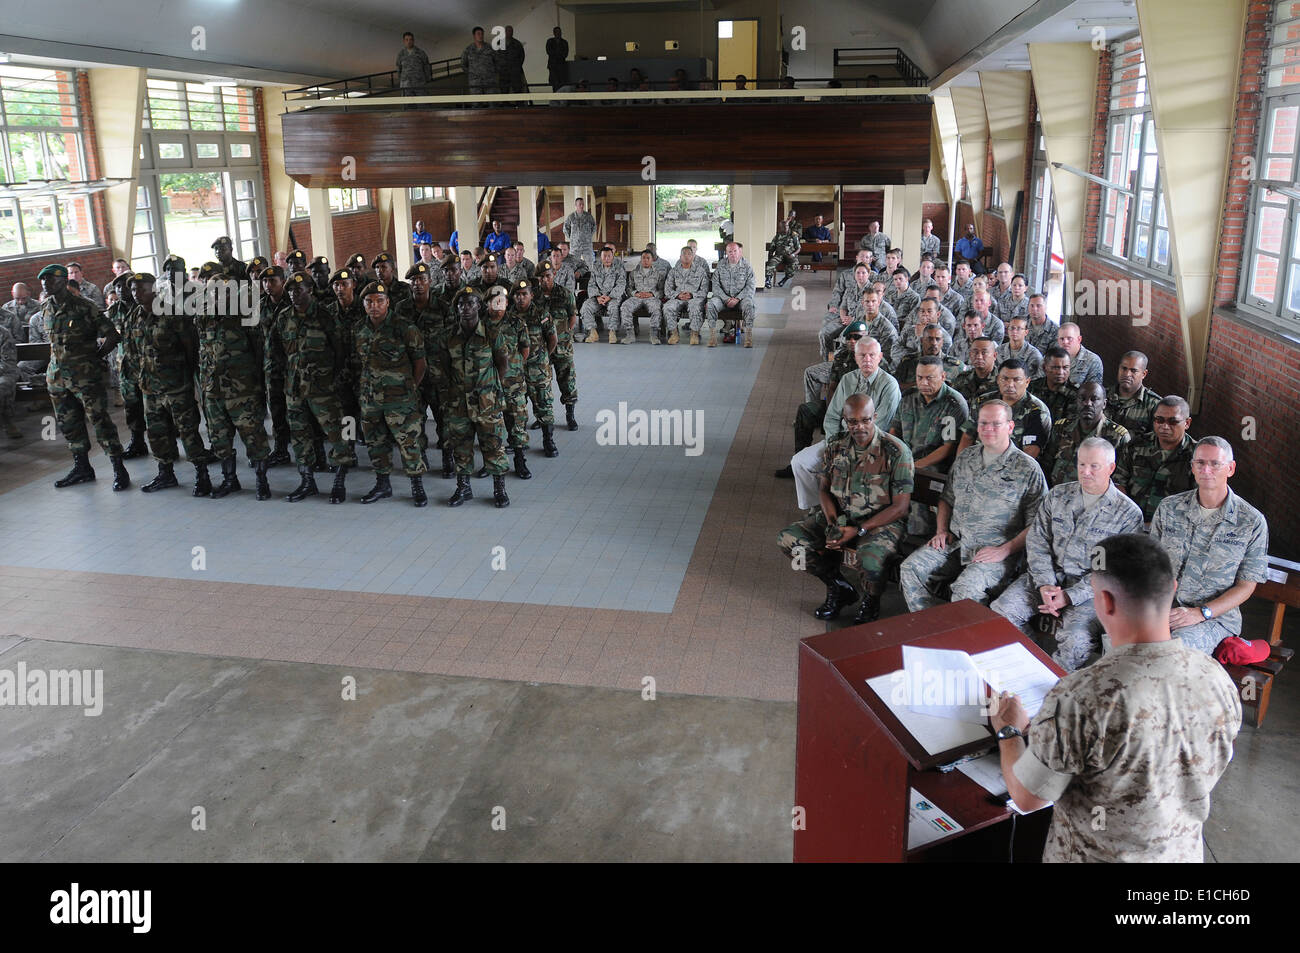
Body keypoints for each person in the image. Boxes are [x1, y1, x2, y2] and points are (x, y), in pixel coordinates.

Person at [990, 532, 1242, 862]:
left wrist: (1008, 731)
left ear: (1105, 602)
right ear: (1173, 590)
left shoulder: (1082, 695)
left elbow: (1028, 798)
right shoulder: (1216, 678)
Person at [990, 438, 1144, 671]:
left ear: (1111, 468)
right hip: (1047, 579)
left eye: (1094, 466)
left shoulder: (1128, 514)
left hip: (1093, 592)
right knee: (1002, 611)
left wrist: (1069, 596)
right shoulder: (1057, 496)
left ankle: (1056, 686)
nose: (1086, 472)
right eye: (1081, 465)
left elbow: (1112, 570)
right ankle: (1031, 667)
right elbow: (1038, 540)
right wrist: (1045, 584)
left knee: (1075, 641)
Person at [899, 399, 1048, 611]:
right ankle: (931, 628)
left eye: (996, 424)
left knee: (965, 590)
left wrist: (1005, 550)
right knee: (910, 569)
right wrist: (941, 530)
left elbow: (1037, 524)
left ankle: (964, 639)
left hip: (995, 551)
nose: (988, 429)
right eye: (983, 423)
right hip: (956, 542)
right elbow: (946, 498)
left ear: (1010, 427)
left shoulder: (1027, 469)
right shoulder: (966, 458)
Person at [778, 394, 913, 625]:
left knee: (870, 559)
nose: (859, 426)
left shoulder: (896, 451)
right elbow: (824, 489)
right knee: (790, 541)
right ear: (845, 420)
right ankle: (837, 586)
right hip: (841, 517)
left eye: (866, 420)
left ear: (875, 417)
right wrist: (833, 525)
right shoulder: (836, 446)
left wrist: (858, 530)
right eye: (853, 421)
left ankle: (871, 599)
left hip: (880, 523)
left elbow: (901, 507)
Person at [1149, 437, 1270, 656]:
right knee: (1121, 642)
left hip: (1214, 618)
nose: (1206, 469)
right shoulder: (1170, 508)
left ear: (1230, 468)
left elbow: (1246, 586)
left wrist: (1201, 613)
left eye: (1215, 463)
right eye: (1200, 463)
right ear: (1192, 467)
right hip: (1164, 608)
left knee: (1174, 652)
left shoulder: (1250, 521)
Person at [268, 273, 358, 503]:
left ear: (310, 290)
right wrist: (289, 371)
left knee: (338, 434)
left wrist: (333, 378)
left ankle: (339, 480)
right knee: (300, 435)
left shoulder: (325, 316)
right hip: (294, 389)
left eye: (298, 290)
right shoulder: (284, 317)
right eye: (290, 291)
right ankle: (307, 481)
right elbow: (276, 349)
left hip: (324, 388)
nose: (293, 294)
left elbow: (341, 349)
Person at [790, 337, 901, 508]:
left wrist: (847, 449)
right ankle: (817, 507)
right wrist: (833, 444)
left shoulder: (889, 385)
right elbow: (833, 416)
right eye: (862, 355)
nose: (867, 360)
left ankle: (841, 507)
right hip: (840, 440)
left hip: (871, 448)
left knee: (844, 471)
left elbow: (881, 427)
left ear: (880, 357)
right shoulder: (848, 379)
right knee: (800, 462)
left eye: (872, 355)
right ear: (855, 358)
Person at [129, 272, 213, 495]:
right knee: (156, 432)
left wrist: (187, 376)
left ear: (154, 290)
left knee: (188, 431)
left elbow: (190, 349)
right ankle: (165, 474)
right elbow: (132, 351)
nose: (136, 294)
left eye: (141, 289)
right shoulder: (134, 316)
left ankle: (201, 474)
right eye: (134, 290)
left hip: (176, 386)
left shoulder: (173, 315)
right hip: (150, 387)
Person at [194, 272, 272, 500]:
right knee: (219, 438)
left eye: (224, 291)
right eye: (213, 291)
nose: (218, 295)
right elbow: (201, 353)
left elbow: (260, 353)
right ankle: (230, 480)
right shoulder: (203, 317)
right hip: (213, 391)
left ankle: (261, 480)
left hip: (243, 390)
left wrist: (259, 387)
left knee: (254, 437)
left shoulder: (246, 317)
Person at [353, 281, 428, 506]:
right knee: (376, 442)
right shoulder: (359, 328)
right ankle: (383, 484)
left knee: (409, 442)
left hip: (400, 399)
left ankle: (417, 485)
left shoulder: (405, 328)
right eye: (369, 302)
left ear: (388, 302)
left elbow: (420, 363)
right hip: (370, 398)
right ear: (364, 304)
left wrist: (409, 388)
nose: (374, 306)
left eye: (379, 301)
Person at [439, 289, 511, 507]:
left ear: (479, 306)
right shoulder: (448, 336)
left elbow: (503, 363)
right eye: (461, 304)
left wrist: (489, 387)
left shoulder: (491, 333)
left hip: (487, 403)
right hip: (459, 403)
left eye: (470, 303)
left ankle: (499, 489)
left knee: (493, 445)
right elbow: (444, 367)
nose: (466, 308)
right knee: (461, 446)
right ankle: (463, 488)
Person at [890, 355, 970, 535]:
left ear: (943, 376)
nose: (923, 383)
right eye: (919, 378)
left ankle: (917, 537)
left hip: (933, 465)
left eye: (929, 378)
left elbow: (947, 448)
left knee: (918, 493)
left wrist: (914, 467)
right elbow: (894, 431)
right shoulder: (909, 398)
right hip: (906, 459)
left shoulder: (953, 404)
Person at [1114, 395, 1195, 524]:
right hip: (1131, 522)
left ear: (1187, 423)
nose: (1165, 426)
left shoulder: (1196, 457)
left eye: (1173, 421)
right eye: (1159, 420)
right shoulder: (1136, 446)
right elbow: (1118, 482)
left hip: (1171, 529)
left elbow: (1198, 501)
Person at [953, 358, 1052, 459]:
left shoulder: (1037, 411)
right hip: (978, 461)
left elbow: (1029, 454)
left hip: (1013, 468)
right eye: (1005, 379)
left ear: (1027, 382)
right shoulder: (983, 402)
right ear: (997, 380)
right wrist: (960, 464)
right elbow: (967, 437)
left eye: (1016, 380)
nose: (1010, 384)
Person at [482, 283, 532, 479]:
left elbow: (525, 351)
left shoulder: (517, 323)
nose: (498, 304)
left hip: (514, 384)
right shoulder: (480, 324)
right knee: (490, 426)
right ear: (487, 304)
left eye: (501, 300)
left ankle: (520, 461)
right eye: (494, 300)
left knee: (517, 424)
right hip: (488, 385)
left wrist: (513, 368)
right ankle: (491, 462)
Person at [1042, 382, 1131, 487]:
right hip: (1057, 496)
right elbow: (1046, 467)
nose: (1087, 403)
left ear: (1104, 404)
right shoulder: (1061, 428)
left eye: (1094, 399)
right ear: (1076, 401)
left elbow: (1118, 482)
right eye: (1082, 399)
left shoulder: (1118, 437)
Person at [510, 279, 559, 459]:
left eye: (525, 294)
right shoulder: (509, 316)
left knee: (544, 406)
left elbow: (552, 339)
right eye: (517, 295)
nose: (521, 298)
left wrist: (543, 357)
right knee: (517, 409)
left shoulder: (541, 314)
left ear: (531, 295)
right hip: (516, 372)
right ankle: (518, 443)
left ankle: (548, 440)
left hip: (538, 370)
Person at [535, 261, 579, 430]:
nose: (545, 280)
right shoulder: (534, 296)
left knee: (567, 380)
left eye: (548, 276)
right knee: (541, 384)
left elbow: (572, 315)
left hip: (562, 346)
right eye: (541, 277)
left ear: (553, 275)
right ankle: (542, 417)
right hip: (540, 347)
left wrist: (566, 333)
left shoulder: (564, 293)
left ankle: (570, 414)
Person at [706, 241, 757, 348]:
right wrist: (726, 299)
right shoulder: (721, 265)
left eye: (735, 251)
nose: (732, 254)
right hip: (722, 299)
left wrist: (737, 298)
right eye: (730, 251)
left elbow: (750, 287)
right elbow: (715, 285)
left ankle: (748, 337)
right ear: (726, 253)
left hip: (741, 299)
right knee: (711, 304)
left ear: (740, 252)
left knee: (750, 305)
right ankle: (712, 337)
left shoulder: (747, 266)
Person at [1106, 350, 1162, 438]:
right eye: (1124, 368)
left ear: (1144, 374)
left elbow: (1156, 440)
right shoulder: (1103, 396)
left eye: (1133, 371)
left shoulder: (1154, 405)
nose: (1127, 374)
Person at [663, 244, 709, 345]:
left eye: (689, 254)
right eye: (684, 254)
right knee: (667, 307)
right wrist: (677, 295)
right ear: (680, 257)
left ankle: (694, 334)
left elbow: (704, 290)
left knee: (695, 306)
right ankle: (674, 333)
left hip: (694, 298)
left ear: (693, 257)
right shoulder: (674, 271)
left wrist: (692, 295)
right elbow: (667, 289)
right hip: (678, 297)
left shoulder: (700, 271)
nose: (687, 256)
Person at [579, 246, 626, 343]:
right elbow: (591, 284)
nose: (607, 258)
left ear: (613, 257)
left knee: (614, 307)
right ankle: (593, 333)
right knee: (585, 306)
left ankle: (612, 332)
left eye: (609, 256)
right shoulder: (596, 268)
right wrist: (597, 297)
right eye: (604, 256)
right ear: (601, 257)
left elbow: (621, 285)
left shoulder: (619, 269)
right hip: (598, 297)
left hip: (612, 297)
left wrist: (609, 297)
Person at [619, 250, 664, 344]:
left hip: (652, 298)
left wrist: (652, 294)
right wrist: (635, 293)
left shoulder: (658, 273)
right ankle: (630, 335)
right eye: (643, 258)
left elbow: (662, 290)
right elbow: (628, 288)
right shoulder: (634, 273)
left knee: (656, 308)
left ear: (652, 260)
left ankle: (654, 335)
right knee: (625, 306)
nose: (646, 260)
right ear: (640, 259)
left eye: (648, 258)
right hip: (637, 297)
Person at [1029, 346, 1078, 424]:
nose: (1060, 372)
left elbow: (1070, 425)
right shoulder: (1032, 387)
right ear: (1044, 368)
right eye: (1056, 368)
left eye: (1065, 368)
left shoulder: (1075, 394)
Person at [1057, 322, 1103, 386]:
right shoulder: (1052, 358)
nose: (1065, 342)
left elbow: (1093, 392)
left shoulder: (1093, 361)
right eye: (1062, 339)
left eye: (1069, 338)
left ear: (1079, 339)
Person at [764, 220, 801, 289]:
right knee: (771, 263)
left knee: (794, 264)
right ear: (780, 228)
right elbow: (772, 248)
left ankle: (784, 279)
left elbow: (798, 248)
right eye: (783, 227)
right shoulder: (777, 236)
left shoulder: (793, 235)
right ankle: (768, 281)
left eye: (786, 226)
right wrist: (770, 259)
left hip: (790, 256)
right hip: (779, 255)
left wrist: (793, 255)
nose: (785, 228)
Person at [462, 26, 498, 96]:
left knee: (492, 103)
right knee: (476, 104)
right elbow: (463, 64)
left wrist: (492, 73)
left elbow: (497, 61)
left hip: (489, 81)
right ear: (474, 36)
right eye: (478, 34)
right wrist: (472, 74)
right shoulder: (468, 49)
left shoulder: (489, 48)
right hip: (475, 83)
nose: (480, 36)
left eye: (482, 34)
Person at [563, 197, 597, 266]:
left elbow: (594, 227)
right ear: (576, 205)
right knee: (573, 264)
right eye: (580, 204)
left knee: (590, 264)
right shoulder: (571, 217)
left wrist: (588, 236)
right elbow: (565, 229)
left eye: (583, 204)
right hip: (575, 246)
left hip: (587, 245)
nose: (582, 206)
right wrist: (573, 238)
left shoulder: (588, 216)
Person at [0, 323, 19, 438]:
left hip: (4, 371)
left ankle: (7, 420)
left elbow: (8, 361)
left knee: (3, 386)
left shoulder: (3, 333)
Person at [546, 26, 569, 91]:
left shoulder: (564, 42)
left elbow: (565, 54)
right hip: (553, 66)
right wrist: (558, 55)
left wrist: (557, 55)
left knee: (561, 84)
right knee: (554, 84)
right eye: (557, 32)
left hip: (561, 67)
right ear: (554, 33)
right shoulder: (550, 41)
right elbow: (549, 52)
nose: (558, 33)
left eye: (559, 32)